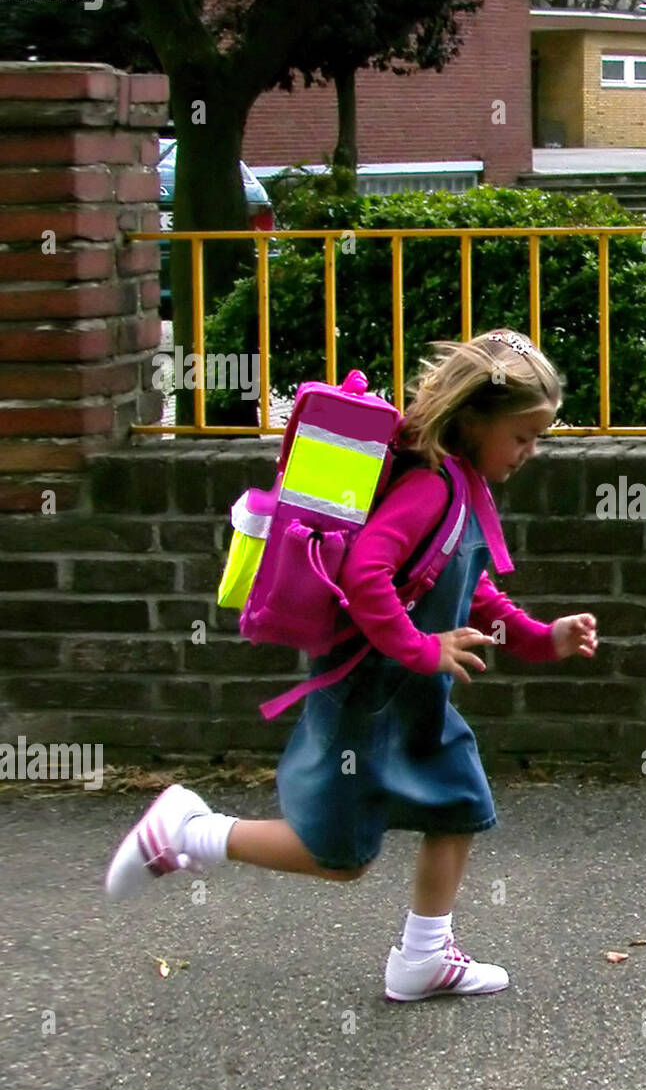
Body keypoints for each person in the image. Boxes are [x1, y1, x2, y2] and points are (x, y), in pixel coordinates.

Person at [105, 330, 598, 1000]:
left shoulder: (461, 488)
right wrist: (423, 649)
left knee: (459, 806)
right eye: (522, 436)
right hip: (369, 695)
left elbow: (464, 585)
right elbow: (367, 570)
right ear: (474, 421)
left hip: (415, 698)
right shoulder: (431, 487)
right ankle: (190, 830)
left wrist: (543, 637)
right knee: (336, 858)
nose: (530, 452)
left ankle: (423, 958)